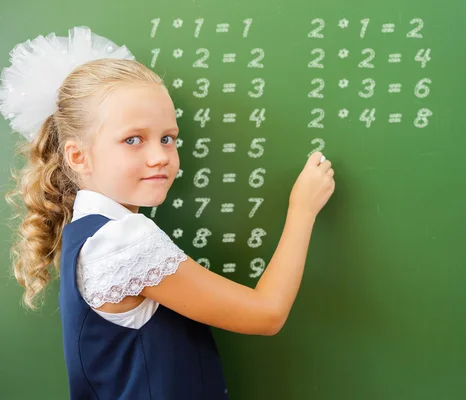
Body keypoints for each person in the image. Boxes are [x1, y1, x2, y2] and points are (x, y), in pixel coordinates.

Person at [0, 26, 335, 399]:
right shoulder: (122, 242)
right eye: (133, 140)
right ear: (78, 157)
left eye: (168, 138)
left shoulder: (92, 231)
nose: (160, 156)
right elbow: (266, 314)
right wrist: (302, 209)